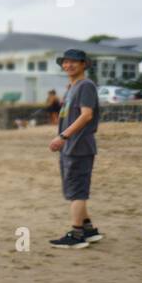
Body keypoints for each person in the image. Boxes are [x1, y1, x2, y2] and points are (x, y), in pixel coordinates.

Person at [48, 50, 102, 248]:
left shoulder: (85, 86)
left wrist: (63, 136)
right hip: (71, 147)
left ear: (84, 64)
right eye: (65, 62)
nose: (68, 65)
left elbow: (87, 115)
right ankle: (88, 230)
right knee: (75, 188)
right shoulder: (72, 86)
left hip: (79, 146)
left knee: (78, 191)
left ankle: (77, 235)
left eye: (73, 62)